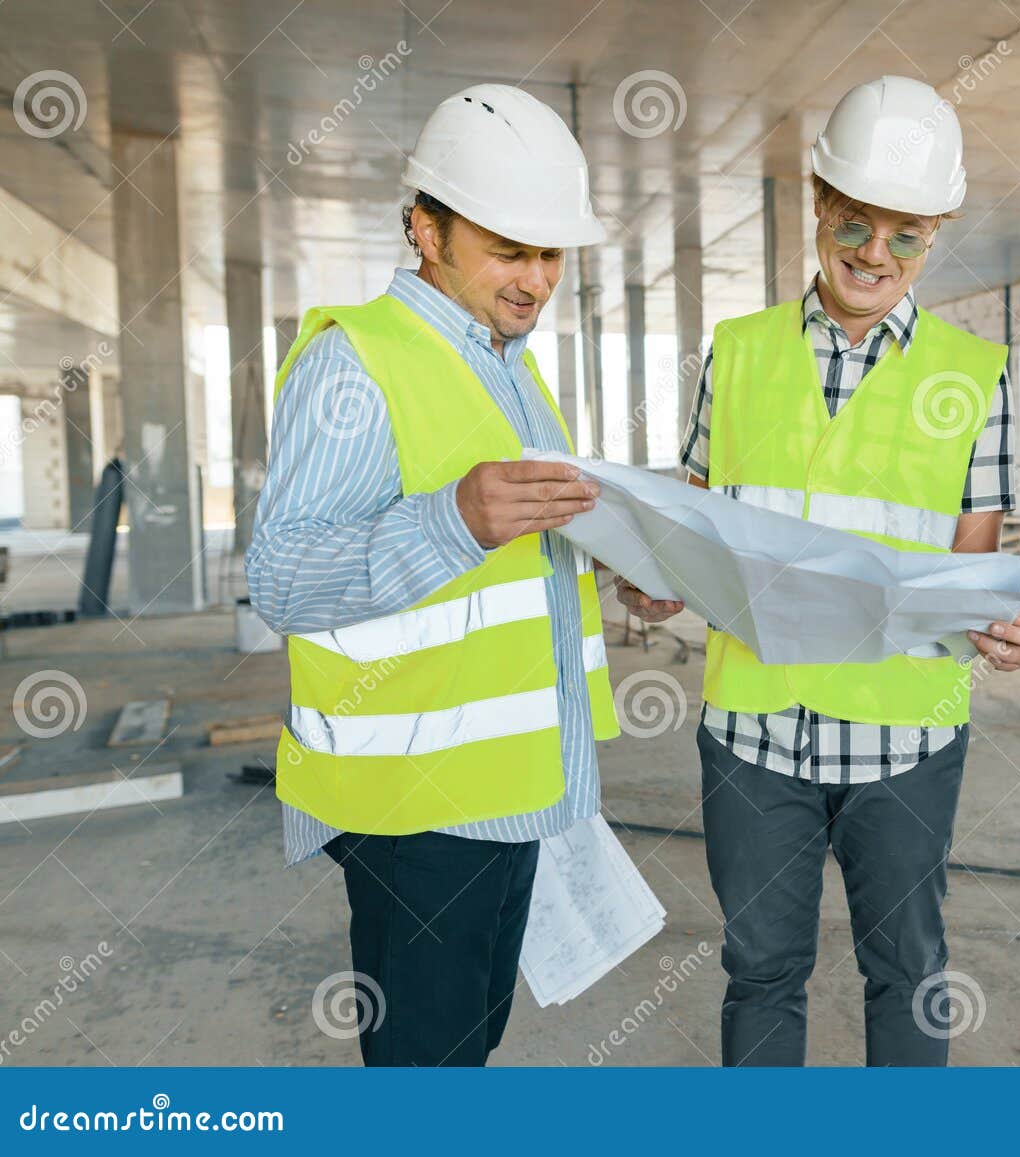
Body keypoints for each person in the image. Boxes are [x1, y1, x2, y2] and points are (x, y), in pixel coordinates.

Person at [620, 75, 1020, 1067]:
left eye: (906, 235)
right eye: (856, 222)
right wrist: (650, 580)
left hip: (903, 738)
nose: (873, 254)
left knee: (907, 971)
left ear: (936, 232)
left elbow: (967, 576)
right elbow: (687, 529)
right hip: (751, 731)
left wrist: (1002, 629)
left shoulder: (971, 375)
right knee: (760, 970)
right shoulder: (737, 354)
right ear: (819, 201)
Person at [246, 84, 631, 1066]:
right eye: (509, 247)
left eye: (551, 253)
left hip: (507, 790)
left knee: (464, 1056)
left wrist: (627, 570)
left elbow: (518, 555)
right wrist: (451, 518)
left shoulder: (504, 365)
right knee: (423, 1069)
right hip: (413, 810)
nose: (537, 279)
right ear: (425, 226)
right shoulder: (356, 365)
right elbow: (283, 579)